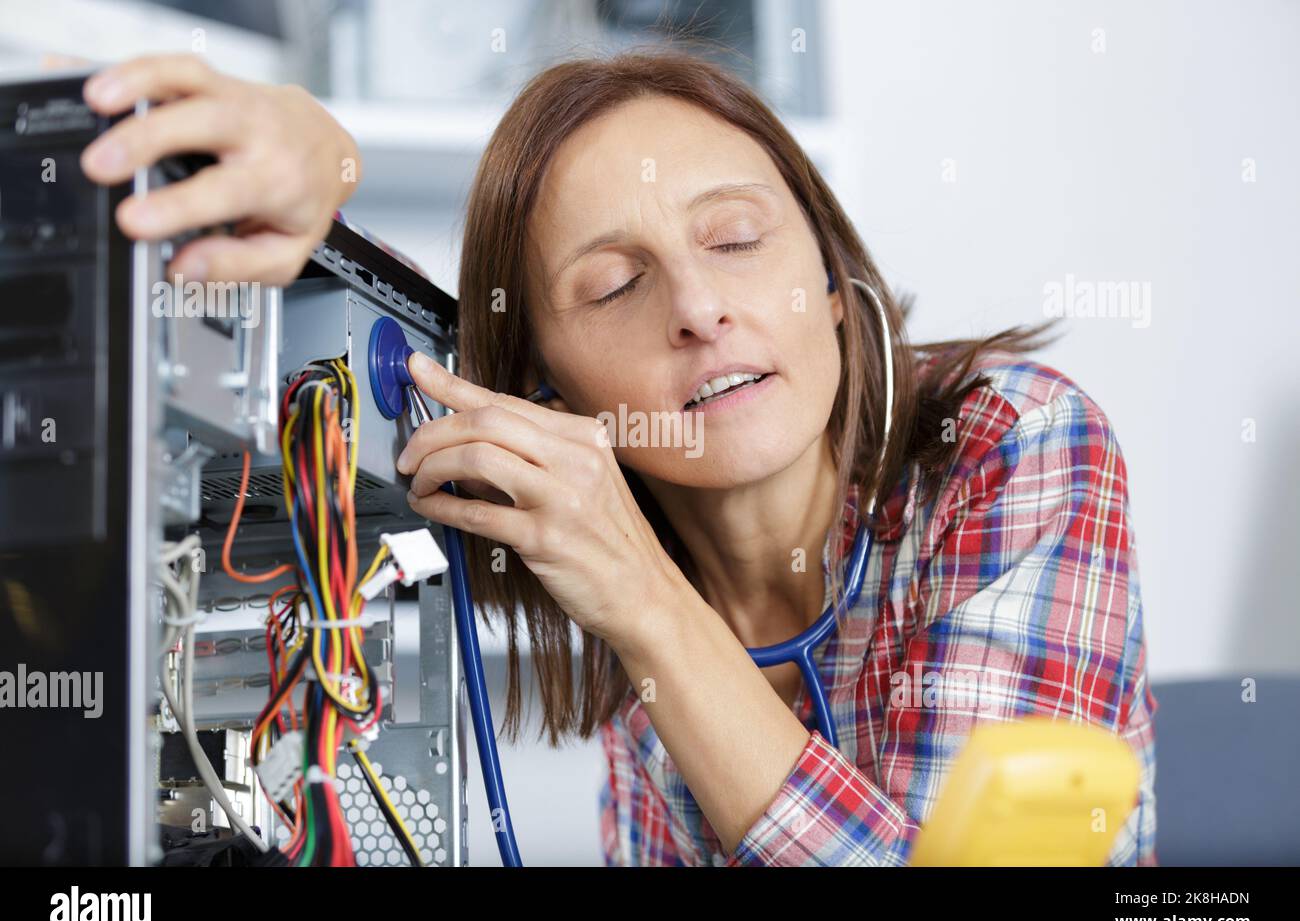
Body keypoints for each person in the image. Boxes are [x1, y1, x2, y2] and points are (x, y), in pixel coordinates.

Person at [80, 46, 1156, 867]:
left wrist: (646, 601)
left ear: (832, 286)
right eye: (612, 286)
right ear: (551, 399)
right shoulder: (632, 646)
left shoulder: (1010, 440)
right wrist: (319, 149)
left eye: (735, 239)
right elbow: (407, 335)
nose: (698, 309)